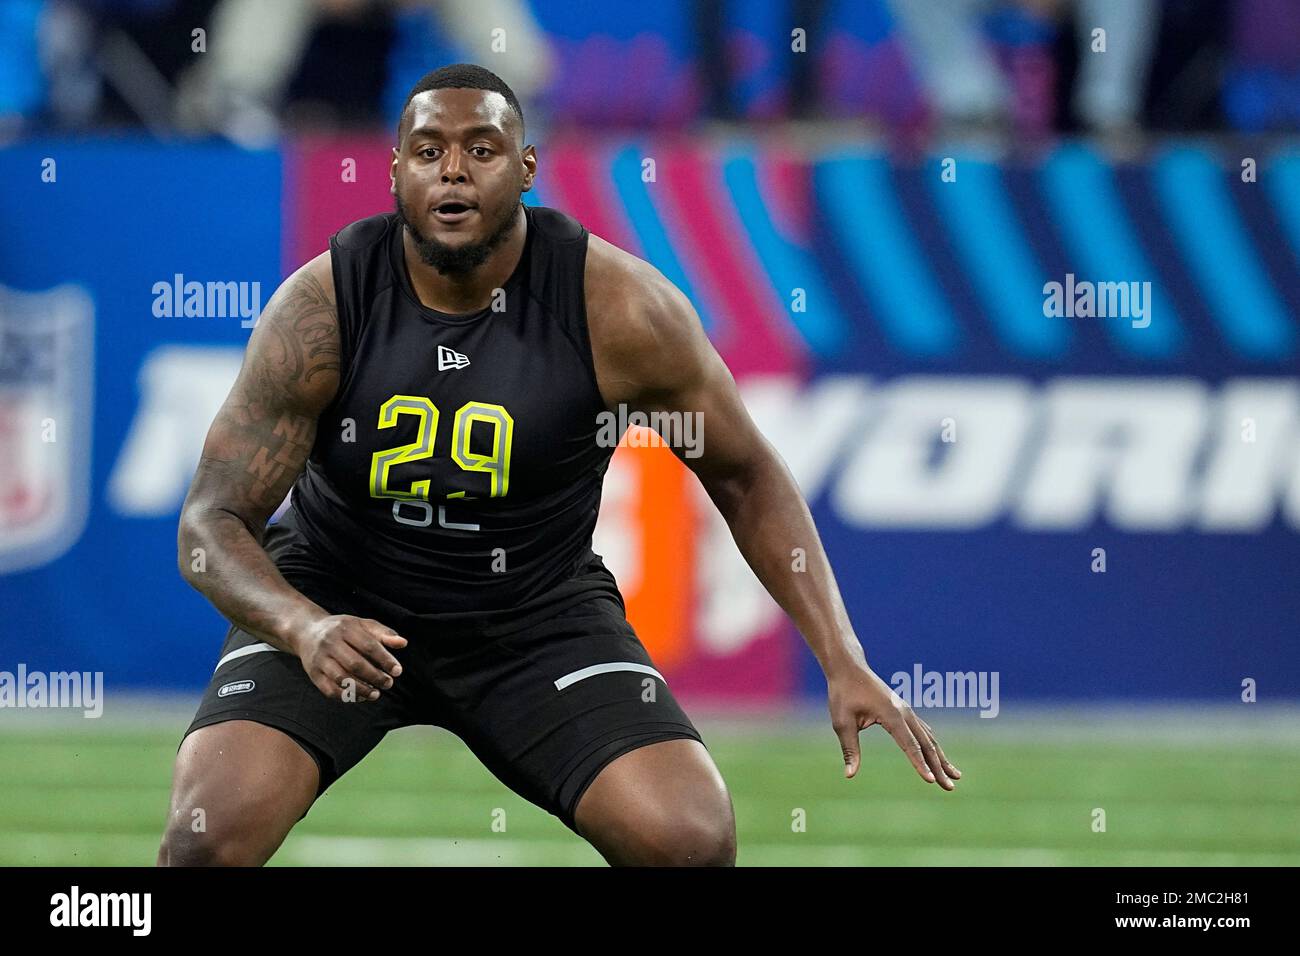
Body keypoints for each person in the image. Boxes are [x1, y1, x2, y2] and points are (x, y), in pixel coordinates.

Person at [157, 62, 959, 867]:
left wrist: (841, 657)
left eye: (482, 149)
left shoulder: (619, 310)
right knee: (208, 836)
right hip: (340, 600)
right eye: (429, 151)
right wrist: (304, 625)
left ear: (527, 168)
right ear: (396, 169)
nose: (455, 171)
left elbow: (745, 474)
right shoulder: (324, 306)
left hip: (530, 615)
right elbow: (210, 522)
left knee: (688, 839)